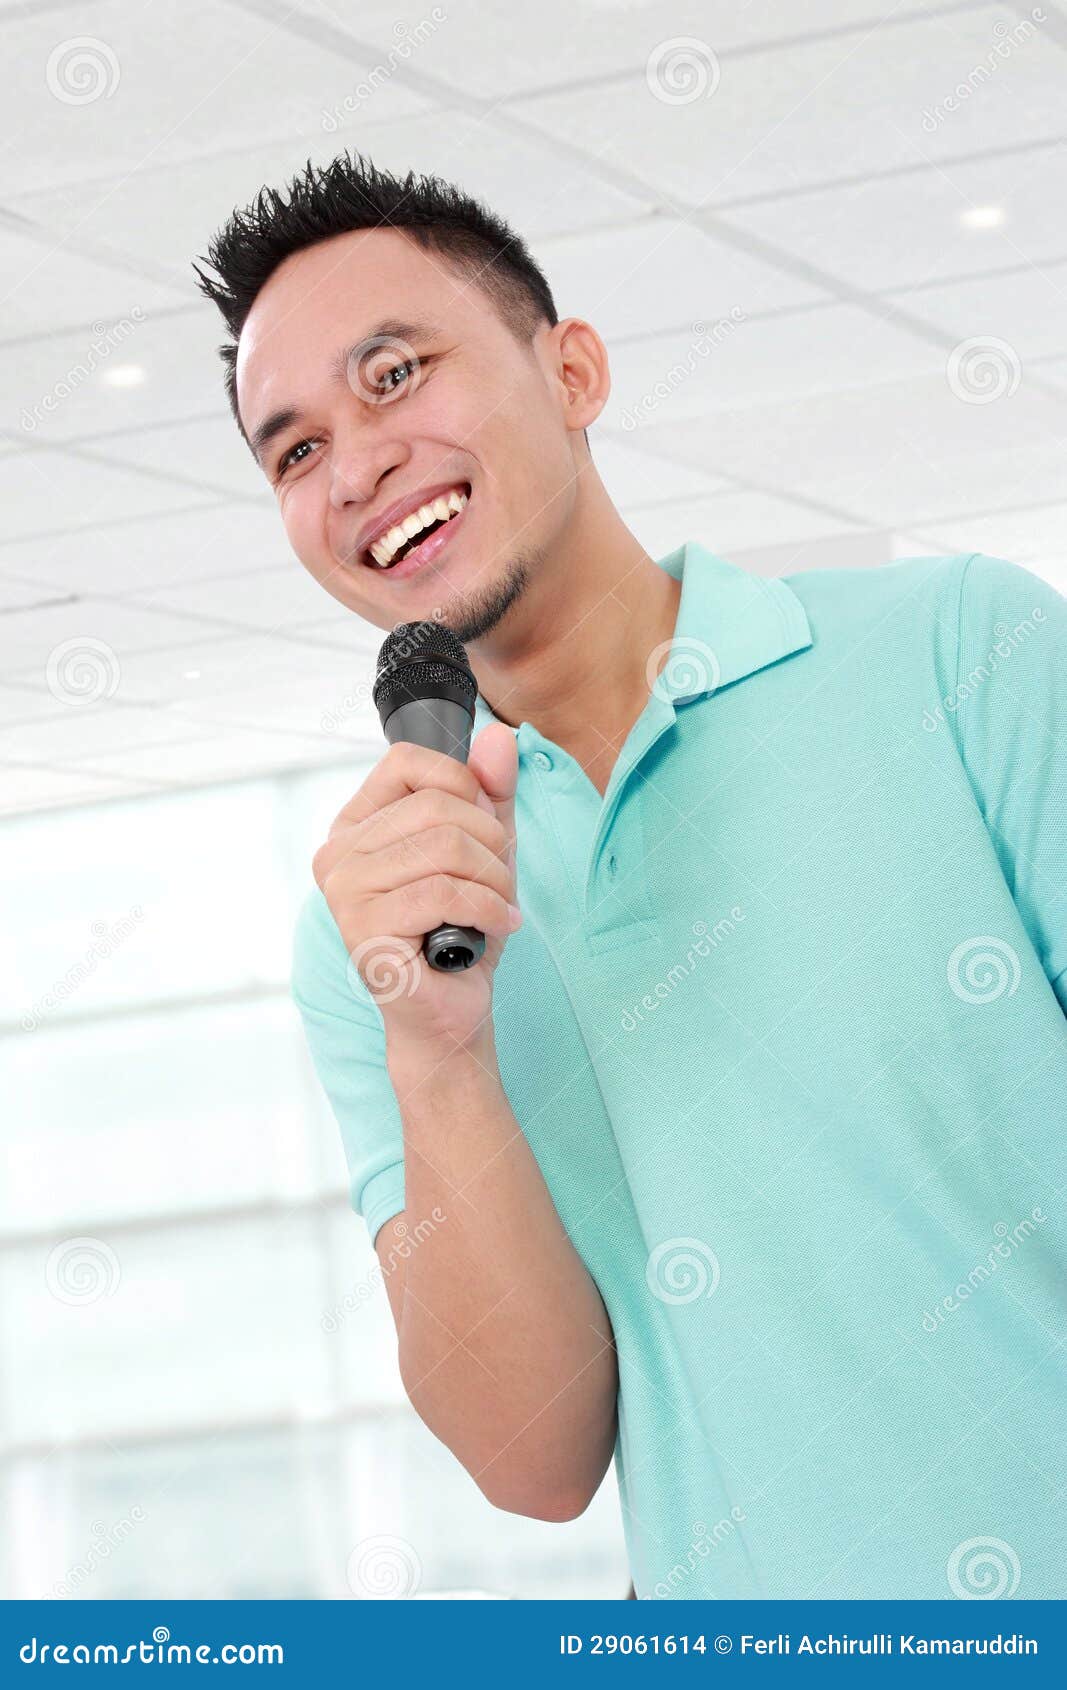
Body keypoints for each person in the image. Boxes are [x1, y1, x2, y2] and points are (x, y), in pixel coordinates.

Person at [194, 151, 1067, 1601]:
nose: (354, 467)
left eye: (396, 374)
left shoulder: (960, 654)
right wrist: (440, 1050)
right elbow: (536, 1463)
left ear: (575, 371)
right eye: (294, 453)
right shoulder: (377, 935)